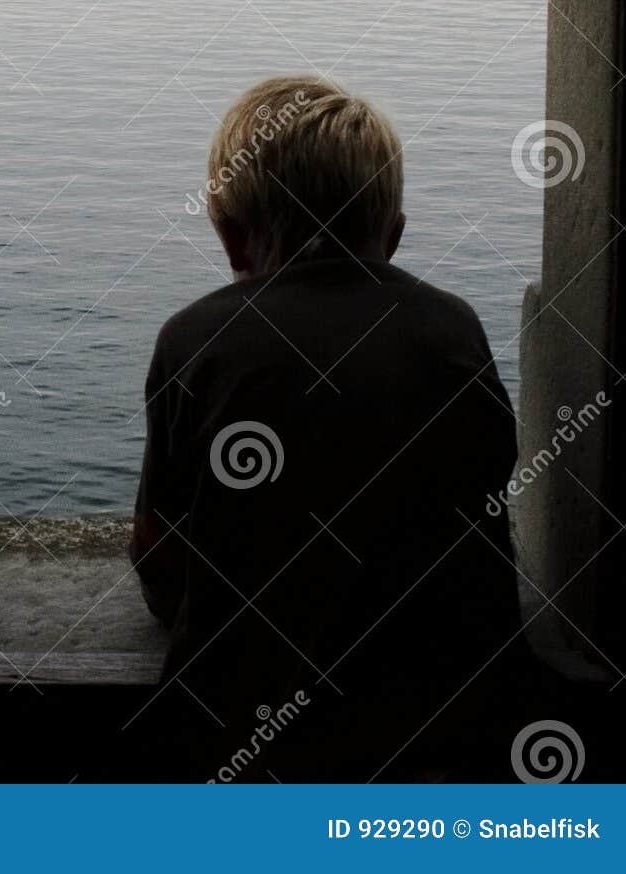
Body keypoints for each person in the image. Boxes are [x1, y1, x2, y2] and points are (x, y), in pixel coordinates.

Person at [130, 75, 524, 781]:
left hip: (241, 749)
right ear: (393, 235)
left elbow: (160, 560)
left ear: (228, 233)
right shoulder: (453, 330)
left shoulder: (197, 342)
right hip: (451, 740)